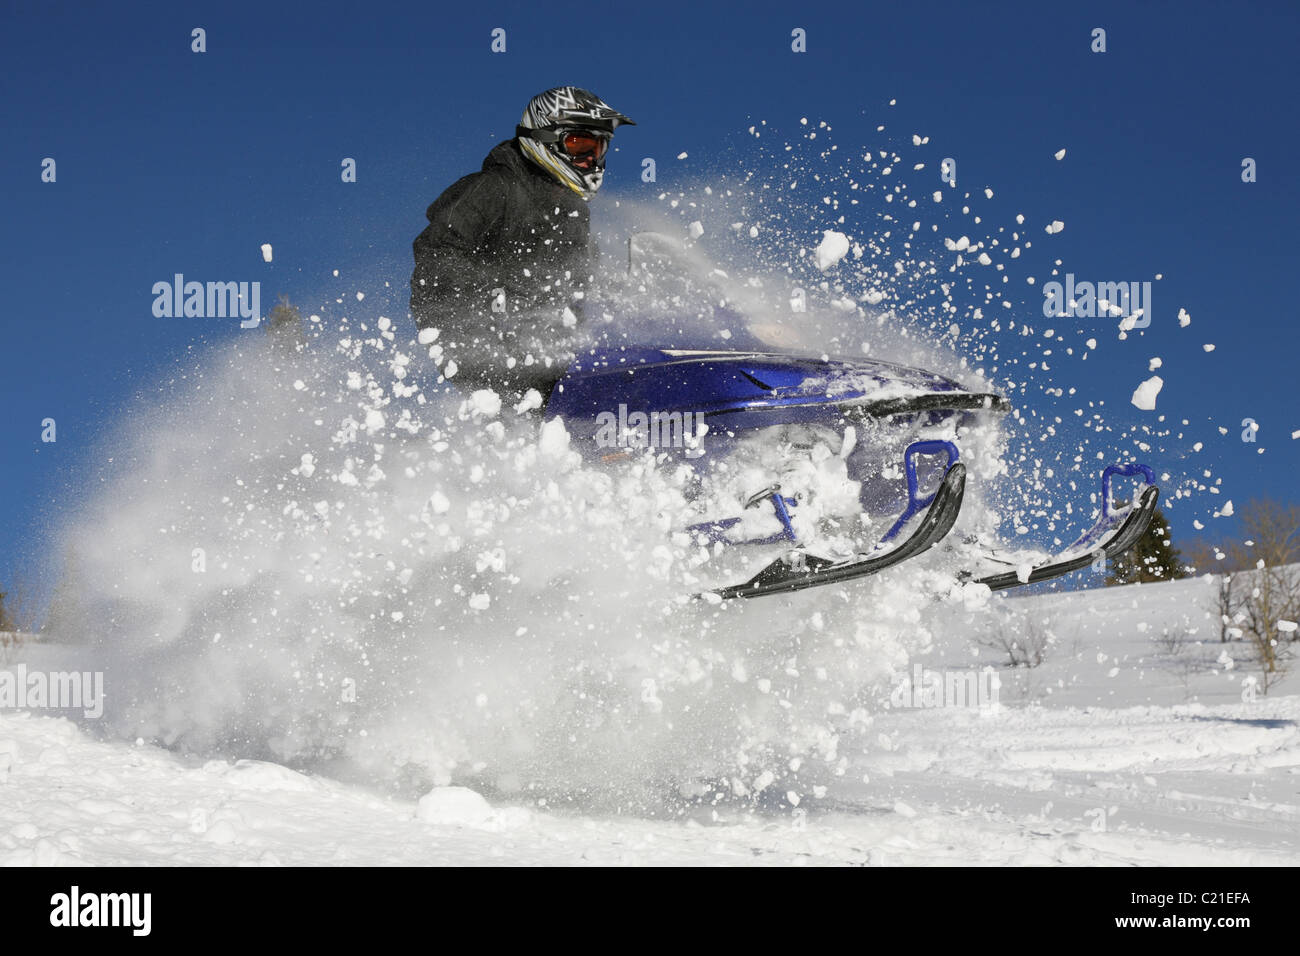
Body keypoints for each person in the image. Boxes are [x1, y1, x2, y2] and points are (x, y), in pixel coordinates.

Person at [410, 87, 635, 397]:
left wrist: (629, 301)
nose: (588, 159)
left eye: (596, 149)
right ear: (545, 138)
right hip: (486, 348)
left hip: (554, 354)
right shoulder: (493, 188)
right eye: (578, 145)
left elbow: (584, 285)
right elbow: (438, 250)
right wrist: (486, 299)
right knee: (526, 416)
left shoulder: (573, 216)